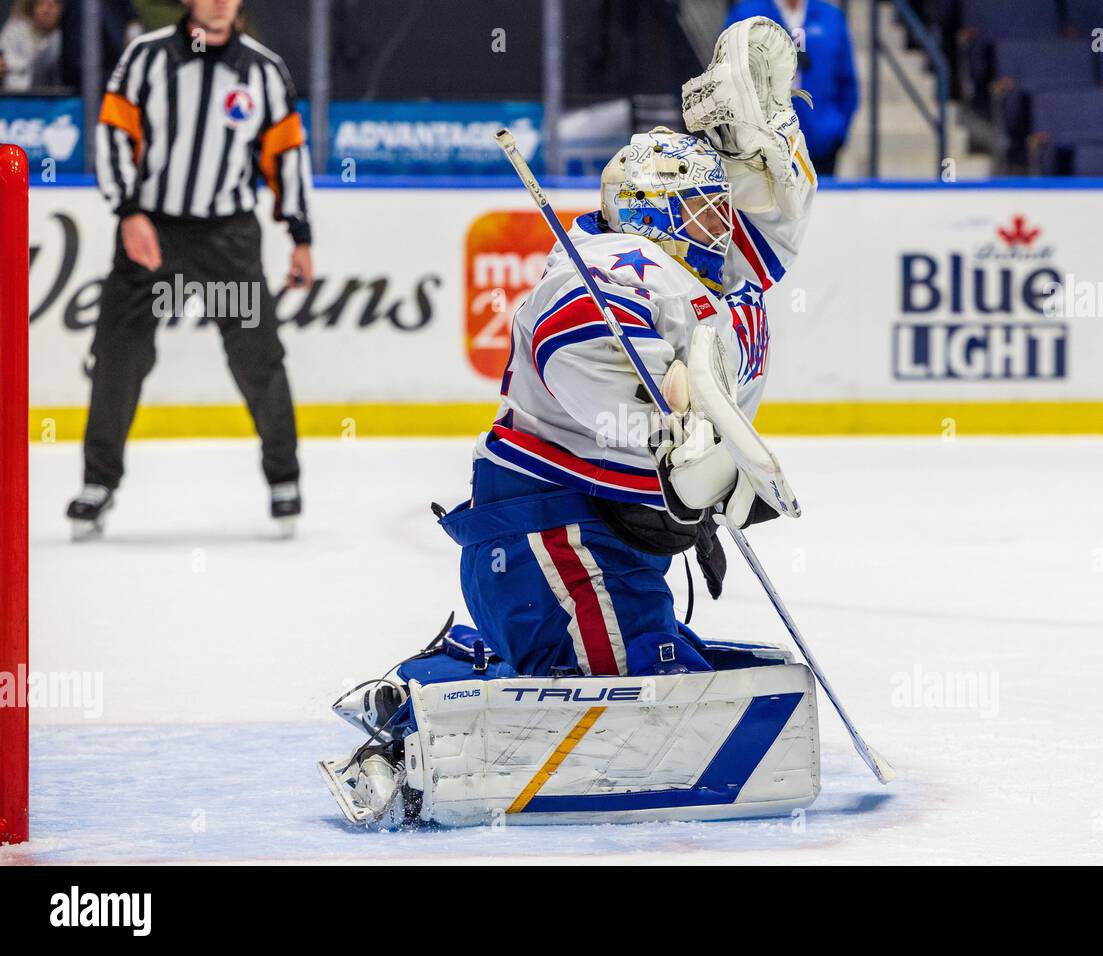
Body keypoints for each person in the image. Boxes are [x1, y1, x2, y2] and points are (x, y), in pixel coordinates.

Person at [321, 16, 821, 827]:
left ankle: (455, 665)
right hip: (554, 540)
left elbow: (776, 223)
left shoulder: (709, 267)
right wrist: (678, 438)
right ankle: (418, 722)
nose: (719, 228)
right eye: (699, 214)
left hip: (588, 545)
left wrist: (765, 143)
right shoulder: (613, 270)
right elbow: (568, 331)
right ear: (649, 215)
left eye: (718, 211)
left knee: (670, 673)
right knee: (659, 690)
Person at [66, 0, 313, 539]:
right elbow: (111, 134)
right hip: (150, 232)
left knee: (258, 357)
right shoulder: (145, 58)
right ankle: (98, 482)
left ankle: (283, 477)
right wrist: (128, 211)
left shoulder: (263, 70)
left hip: (226, 238)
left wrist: (300, 234)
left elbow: (287, 155)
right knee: (118, 356)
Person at [726, 0, 857, 176]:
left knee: (820, 202)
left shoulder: (830, 17)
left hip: (820, 145)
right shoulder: (745, 15)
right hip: (761, 150)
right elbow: (726, 78)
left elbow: (847, 82)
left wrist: (835, 130)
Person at [0, 0, 63, 91]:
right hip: (19, 95)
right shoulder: (16, 30)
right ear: (31, 8)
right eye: (42, 4)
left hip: (52, 97)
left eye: (53, 6)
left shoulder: (60, 35)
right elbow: (12, 73)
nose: (47, 11)